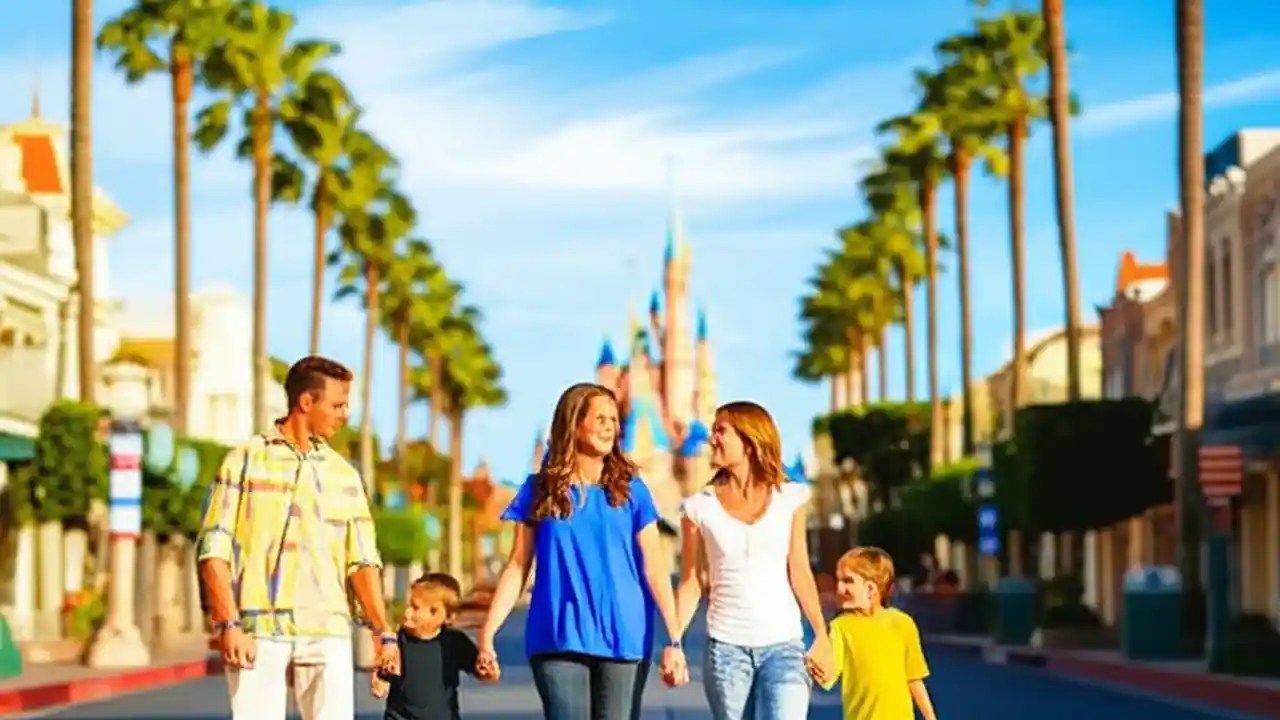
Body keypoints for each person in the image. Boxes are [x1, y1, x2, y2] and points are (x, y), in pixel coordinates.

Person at [197, 355, 397, 720]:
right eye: (337, 405)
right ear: (306, 402)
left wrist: (384, 633)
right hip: (258, 627)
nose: (344, 414)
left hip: (328, 626)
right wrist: (228, 624)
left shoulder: (344, 476)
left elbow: (363, 561)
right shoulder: (244, 460)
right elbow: (214, 549)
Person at [477, 382, 688, 720]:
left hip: (624, 636)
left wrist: (675, 640)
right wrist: (488, 635)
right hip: (557, 636)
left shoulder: (633, 490)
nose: (611, 426)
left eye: (615, 419)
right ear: (573, 424)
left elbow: (655, 567)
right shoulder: (539, 491)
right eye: (600, 418)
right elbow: (518, 566)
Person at [673, 400, 832, 720]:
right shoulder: (698, 508)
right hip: (726, 650)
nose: (711, 438)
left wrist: (821, 635)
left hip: (785, 646)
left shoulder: (790, 498)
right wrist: (674, 642)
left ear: (749, 439)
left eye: (721, 431)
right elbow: (692, 582)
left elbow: (799, 570)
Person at [813, 547, 938, 720]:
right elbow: (829, 674)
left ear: (871, 588)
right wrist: (817, 668)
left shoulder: (902, 624)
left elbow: (914, 678)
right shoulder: (839, 627)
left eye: (848, 581)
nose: (840, 588)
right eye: (839, 581)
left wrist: (930, 717)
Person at [371, 572, 499, 719]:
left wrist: (487, 672)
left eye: (415, 607)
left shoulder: (454, 642)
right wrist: (381, 679)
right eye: (408, 605)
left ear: (439, 614)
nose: (407, 613)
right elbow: (384, 666)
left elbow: (479, 669)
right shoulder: (398, 641)